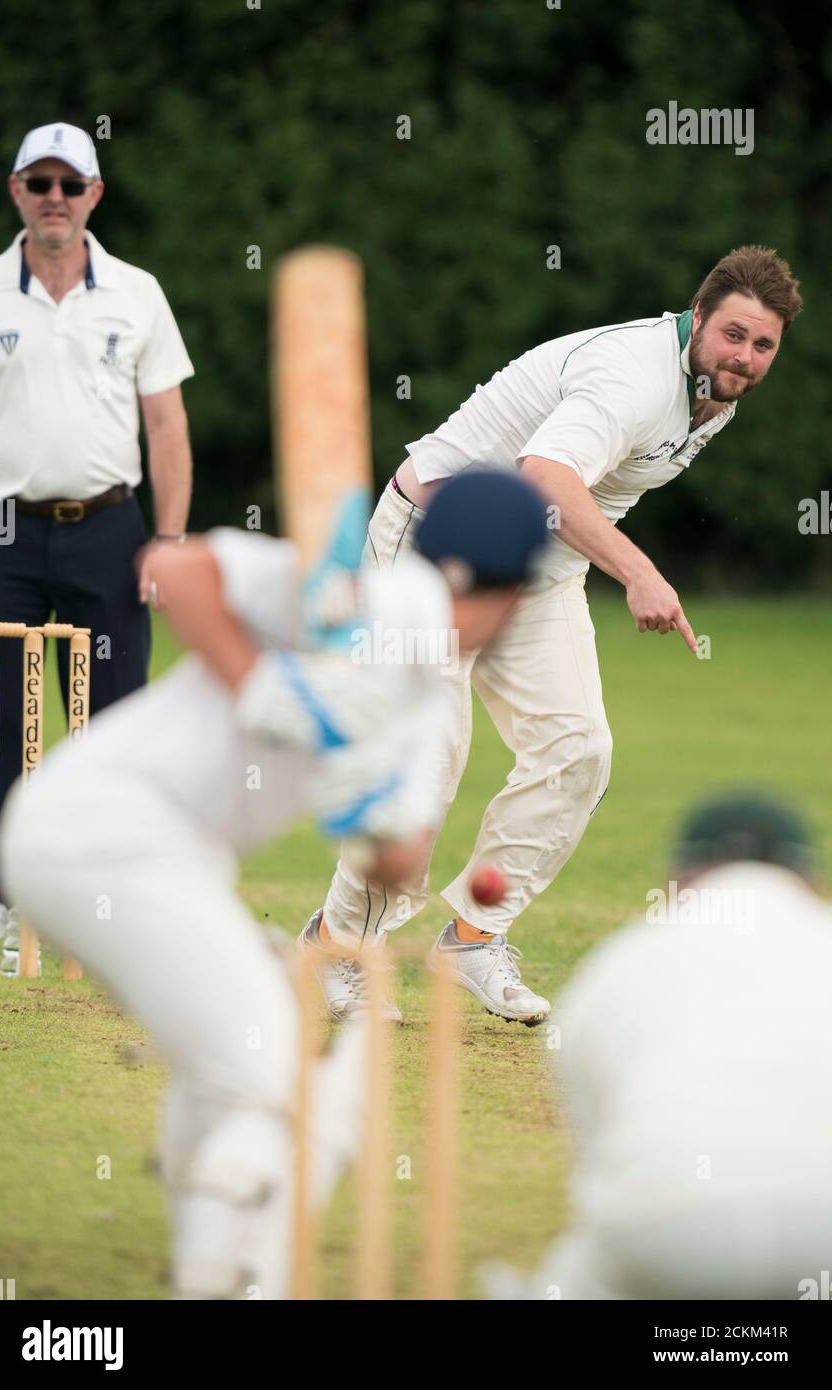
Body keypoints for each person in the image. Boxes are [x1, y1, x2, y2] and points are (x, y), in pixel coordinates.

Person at [0, 471, 550, 1299]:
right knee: (277, 1078)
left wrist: (356, 783)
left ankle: (209, 1259)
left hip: (148, 853)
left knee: (229, 1062)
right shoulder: (352, 595)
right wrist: (262, 685)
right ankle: (231, 1283)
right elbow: (171, 569)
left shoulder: (424, 705)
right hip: (107, 830)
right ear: (513, 591)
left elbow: (393, 863)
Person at [306, 246, 802, 1027]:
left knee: (578, 748)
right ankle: (338, 950)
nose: (744, 357)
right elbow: (547, 472)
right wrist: (639, 572)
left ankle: (473, 938)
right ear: (697, 317)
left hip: (540, 564)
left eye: (763, 346)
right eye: (734, 335)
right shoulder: (633, 377)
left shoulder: (716, 397)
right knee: (425, 761)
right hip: (434, 544)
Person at [0, 122, 194, 973]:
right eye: (40, 183)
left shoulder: (136, 291)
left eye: (71, 185)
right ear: (16, 191)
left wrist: (169, 541)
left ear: (95, 195)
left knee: (111, 717)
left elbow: (166, 423)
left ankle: (106, 900)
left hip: (109, 524)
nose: (55, 199)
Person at [487, 793, 832, 1300]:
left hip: (662, 1223)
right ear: (811, 881)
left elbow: (595, 1145)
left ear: (680, 878)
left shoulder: (621, 960)